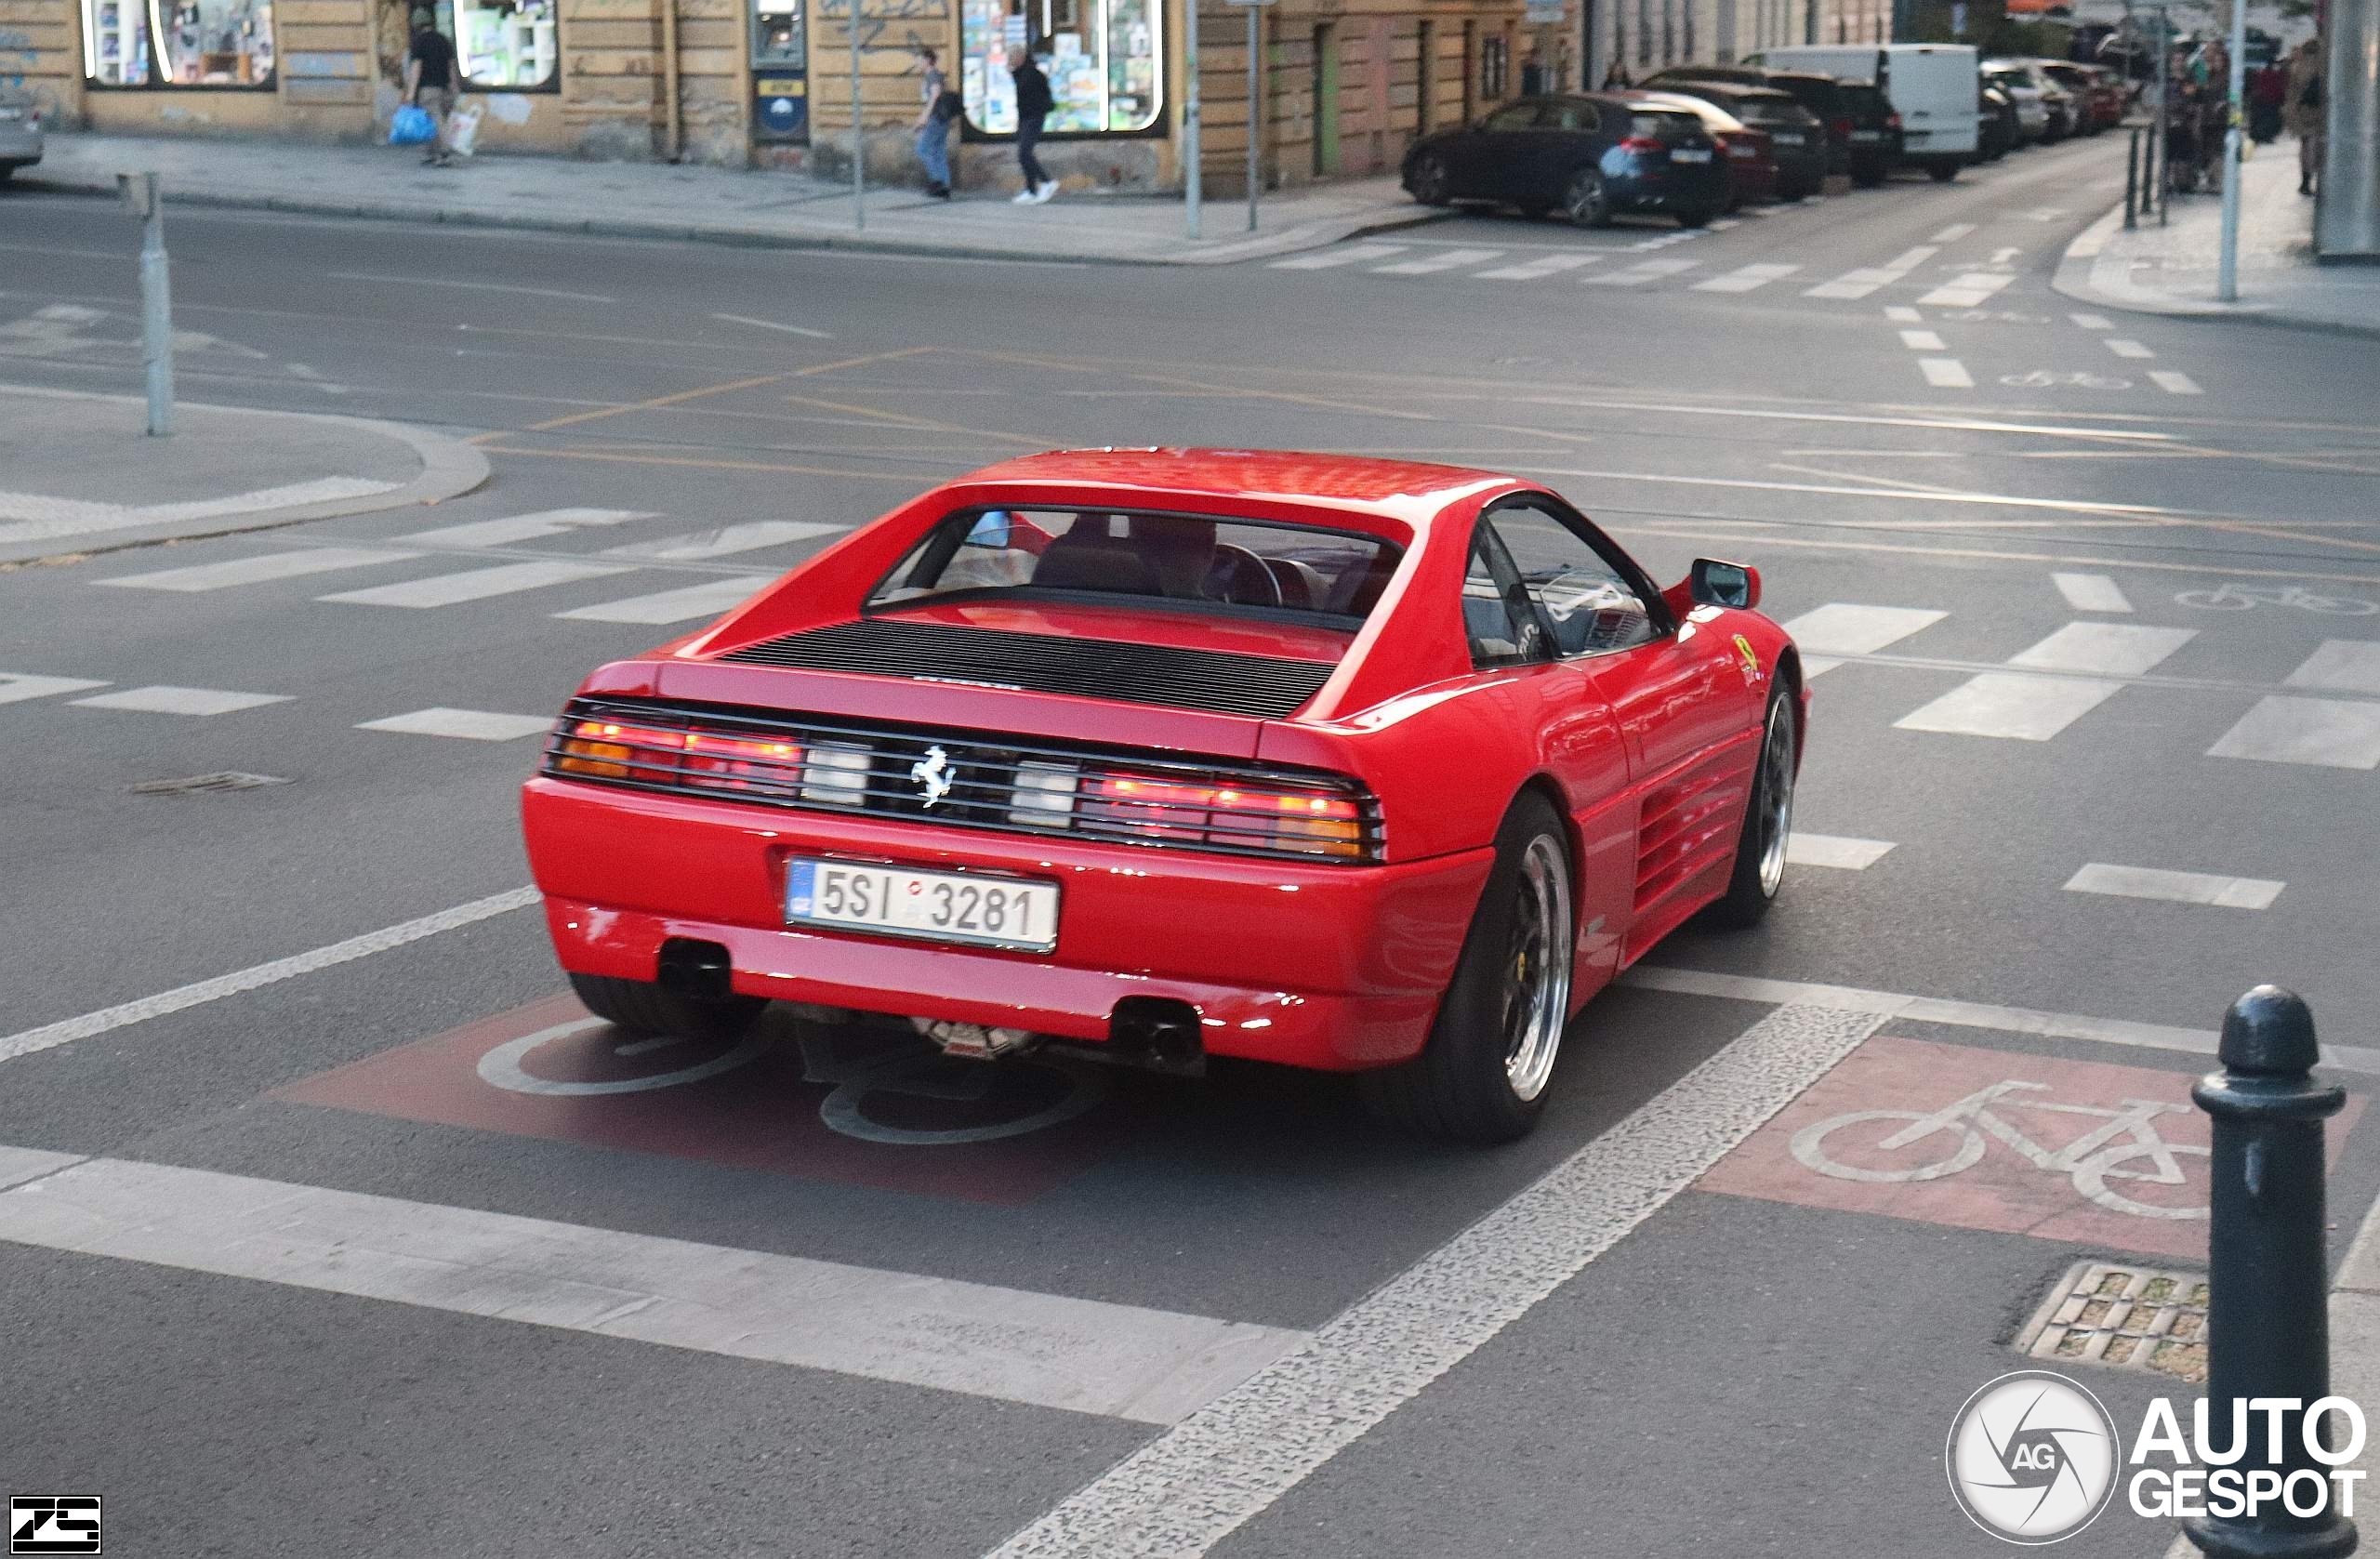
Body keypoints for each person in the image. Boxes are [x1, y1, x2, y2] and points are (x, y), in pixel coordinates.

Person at [402, 7, 458, 167]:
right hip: (445, 88)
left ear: (416, 24)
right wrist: (454, 87)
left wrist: (411, 92)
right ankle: (431, 153)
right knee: (435, 120)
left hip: (428, 89)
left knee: (435, 120)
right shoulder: (443, 39)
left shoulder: (419, 42)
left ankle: (444, 151)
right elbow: (451, 66)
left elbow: (416, 68)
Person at [1008, 46, 1055, 204]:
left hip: (1034, 117)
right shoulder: (1023, 73)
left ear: (1020, 57)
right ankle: (1031, 189)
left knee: (1024, 153)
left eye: (1011, 56)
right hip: (1026, 118)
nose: (1009, 60)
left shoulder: (1032, 74)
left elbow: (1030, 93)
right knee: (1024, 154)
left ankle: (1047, 182)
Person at [913, 46, 957, 199]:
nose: (917, 63)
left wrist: (924, 116)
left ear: (927, 60)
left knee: (922, 149)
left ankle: (937, 181)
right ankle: (945, 186)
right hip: (941, 119)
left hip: (936, 119)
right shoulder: (935, 75)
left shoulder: (932, 75)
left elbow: (935, 94)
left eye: (919, 60)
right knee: (938, 151)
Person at [2284, 37, 2323, 196]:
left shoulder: (2296, 67)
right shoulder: (2321, 65)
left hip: (2300, 112)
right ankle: (2310, 178)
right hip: (2315, 112)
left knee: (2305, 146)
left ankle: (2305, 180)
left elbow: (2291, 93)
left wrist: (2291, 114)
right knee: (2313, 146)